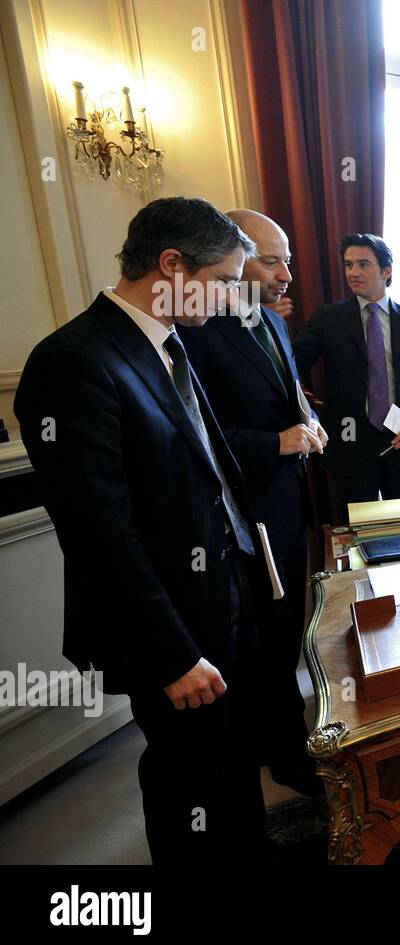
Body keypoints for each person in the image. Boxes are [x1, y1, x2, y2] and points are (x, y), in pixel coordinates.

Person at [15, 197, 273, 862]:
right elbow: (99, 532)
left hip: (226, 592)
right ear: (170, 265)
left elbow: (208, 470)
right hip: (173, 625)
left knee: (233, 759)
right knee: (188, 779)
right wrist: (171, 655)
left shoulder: (170, 342)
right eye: (221, 281)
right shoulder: (72, 361)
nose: (227, 299)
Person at [176, 209, 327, 795]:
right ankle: (289, 761)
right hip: (244, 522)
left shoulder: (274, 322)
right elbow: (201, 438)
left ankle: (288, 742)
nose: (286, 271)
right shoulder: (195, 332)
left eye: (287, 258)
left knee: (289, 635)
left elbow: (287, 397)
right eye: (272, 260)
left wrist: (306, 419)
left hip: (289, 508)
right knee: (265, 649)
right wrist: (279, 442)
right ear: (234, 262)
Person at [293, 234, 400, 518]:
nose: (353, 272)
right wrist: (316, 416)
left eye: (363, 264)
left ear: (386, 272)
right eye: (349, 264)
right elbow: (291, 368)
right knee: (358, 538)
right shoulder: (327, 319)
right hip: (349, 447)